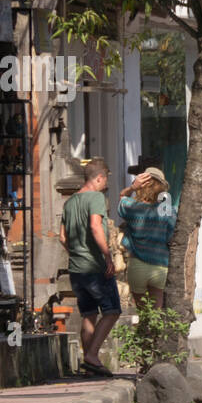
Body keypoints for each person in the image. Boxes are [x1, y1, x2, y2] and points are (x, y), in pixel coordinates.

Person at [61, 158, 120, 377]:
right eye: (105, 181)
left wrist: (75, 253)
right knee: (112, 311)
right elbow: (96, 227)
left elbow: (62, 237)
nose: (106, 186)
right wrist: (107, 256)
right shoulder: (95, 197)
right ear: (99, 178)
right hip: (95, 266)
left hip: (76, 269)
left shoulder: (70, 202)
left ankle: (90, 367)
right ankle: (92, 355)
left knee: (88, 315)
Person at [117, 167, 176, 310]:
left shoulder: (132, 208)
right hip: (160, 267)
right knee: (156, 313)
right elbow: (171, 237)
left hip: (137, 267)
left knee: (143, 312)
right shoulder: (167, 210)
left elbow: (122, 197)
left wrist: (132, 187)